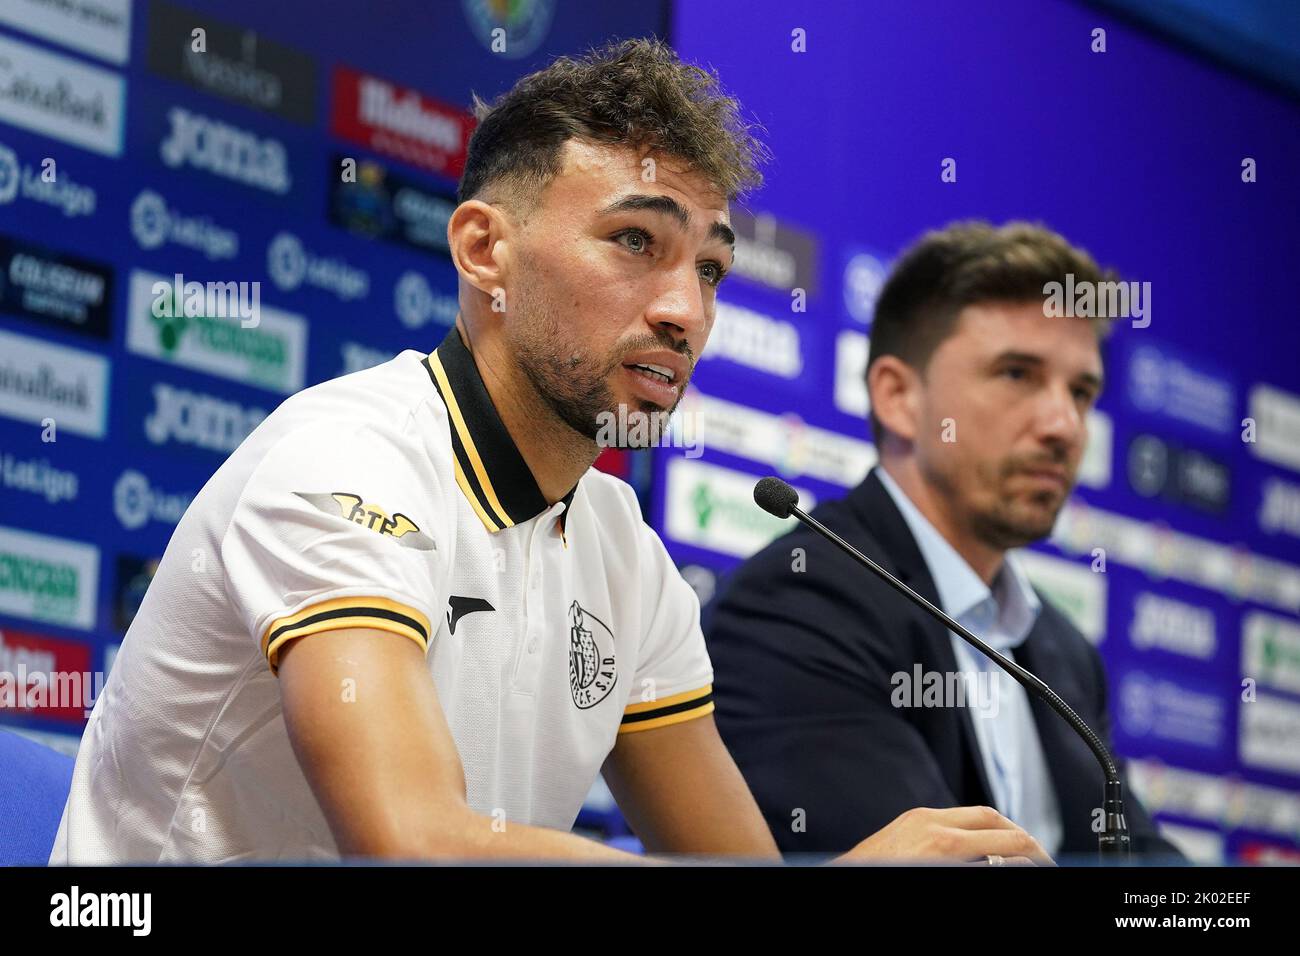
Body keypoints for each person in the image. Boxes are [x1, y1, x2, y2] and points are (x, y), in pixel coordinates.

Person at [51, 42, 1048, 865]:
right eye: (633, 243)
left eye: (709, 267)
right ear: (486, 251)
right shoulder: (344, 459)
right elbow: (410, 843)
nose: (683, 310)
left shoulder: (623, 552)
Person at [705, 221, 1182, 859]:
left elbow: (1151, 869)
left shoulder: (1065, 654)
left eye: (1082, 392)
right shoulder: (796, 604)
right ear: (899, 397)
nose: (1064, 425)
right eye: (1017, 373)